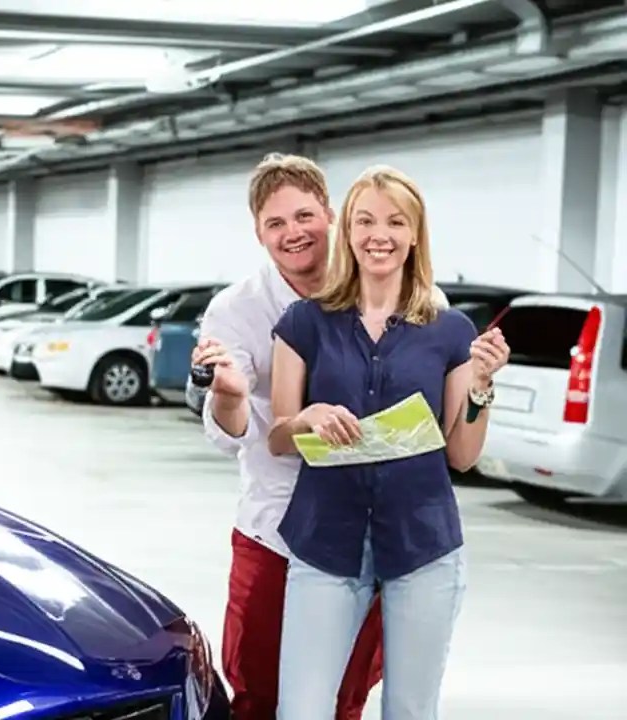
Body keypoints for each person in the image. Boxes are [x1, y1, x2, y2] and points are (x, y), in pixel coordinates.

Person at [264, 165, 510, 720]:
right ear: (346, 232)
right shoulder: (305, 322)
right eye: (366, 221)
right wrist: (308, 417)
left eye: (396, 222)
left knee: (410, 709)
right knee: (301, 709)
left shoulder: (451, 331)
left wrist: (481, 386)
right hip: (326, 540)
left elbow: (462, 456)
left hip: (422, 542)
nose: (381, 235)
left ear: (416, 234)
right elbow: (278, 437)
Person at [189, 152, 383, 720]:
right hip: (275, 531)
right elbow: (231, 435)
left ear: (330, 213)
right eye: (275, 223)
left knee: (346, 694)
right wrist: (226, 393)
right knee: (257, 689)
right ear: (258, 233)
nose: (292, 233)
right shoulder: (237, 309)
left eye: (304, 216)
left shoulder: (382, 289)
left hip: (367, 529)